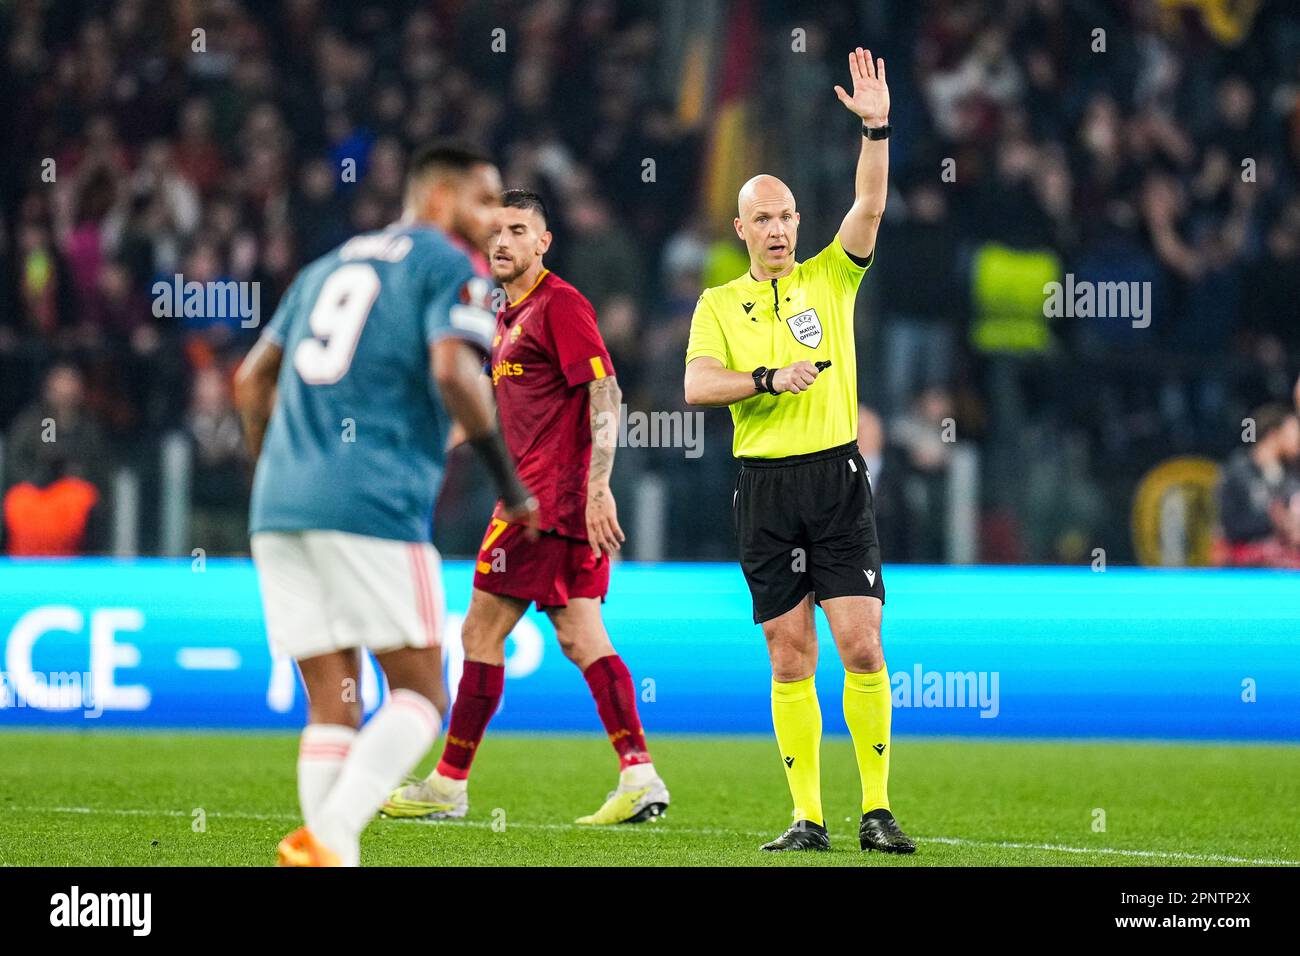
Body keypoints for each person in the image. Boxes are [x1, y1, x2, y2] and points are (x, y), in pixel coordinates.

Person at [234, 142, 537, 867]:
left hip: (279, 509)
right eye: (484, 198)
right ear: (437, 199)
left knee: (332, 702)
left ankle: (328, 854)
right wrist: (510, 483)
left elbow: (249, 383)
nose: (495, 218)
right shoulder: (446, 265)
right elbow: (454, 373)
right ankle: (331, 838)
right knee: (423, 693)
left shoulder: (324, 265)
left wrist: (281, 469)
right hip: (372, 504)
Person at [683, 49, 913, 853]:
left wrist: (877, 127)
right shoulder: (718, 303)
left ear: (797, 226)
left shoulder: (831, 278)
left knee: (861, 642)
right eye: (763, 218)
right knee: (790, 654)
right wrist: (767, 377)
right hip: (766, 487)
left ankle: (877, 810)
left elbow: (872, 206)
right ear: (740, 228)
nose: (778, 229)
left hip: (837, 478)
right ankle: (807, 818)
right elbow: (697, 388)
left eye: (787, 216)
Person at [383, 189, 669, 825]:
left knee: (480, 632)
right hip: (548, 499)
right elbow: (490, 413)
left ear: (544, 242)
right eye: (496, 232)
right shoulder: (502, 315)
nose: (503, 241)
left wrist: (597, 486)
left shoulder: (559, 304)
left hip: (544, 503)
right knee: (580, 634)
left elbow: (605, 389)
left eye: (519, 230)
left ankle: (449, 782)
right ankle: (639, 773)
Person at [1215, 403, 1300, 568]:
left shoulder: (1292, 473)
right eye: (1294, 433)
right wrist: (1275, 520)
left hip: (1288, 559)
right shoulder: (1238, 472)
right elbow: (1229, 526)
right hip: (1246, 566)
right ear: (1273, 434)